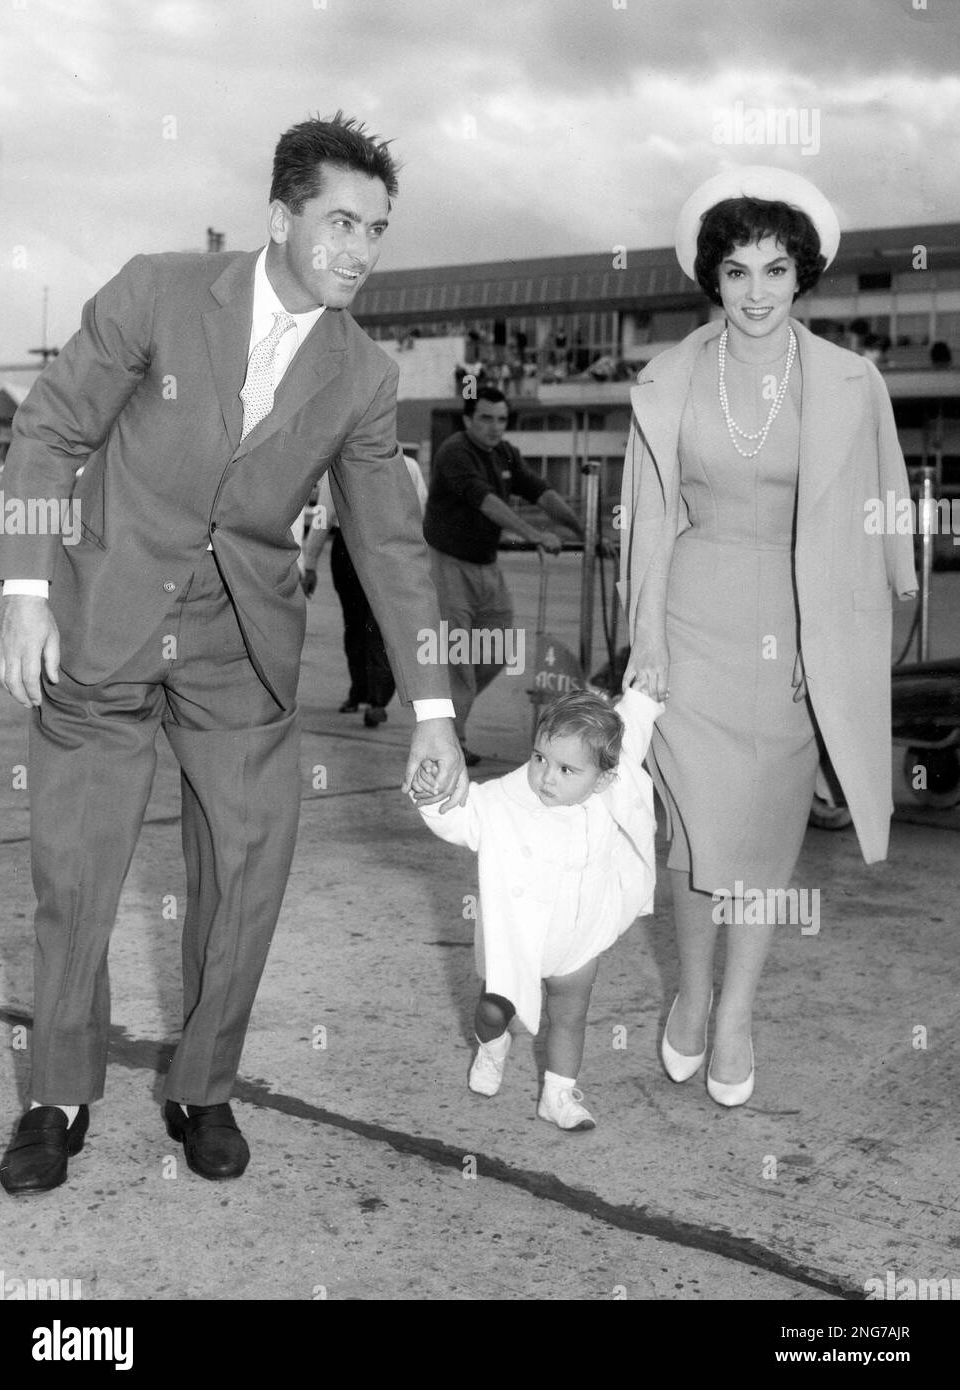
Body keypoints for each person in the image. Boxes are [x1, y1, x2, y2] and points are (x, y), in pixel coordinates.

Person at [0, 113, 467, 1195]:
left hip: (238, 646)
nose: (357, 248)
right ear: (281, 216)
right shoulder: (159, 291)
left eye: (376, 230)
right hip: (101, 619)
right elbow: (51, 429)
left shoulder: (361, 373)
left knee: (248, 874)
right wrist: (23, 592)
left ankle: (203, 1084)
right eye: (339, 221)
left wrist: (433, 709)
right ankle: (56, 1095)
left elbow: (389, 543)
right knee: (76, 871)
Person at [618, 166, 917, 1108]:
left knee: (760, 837)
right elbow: (648, 523)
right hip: (691, 622)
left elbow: (884, 520)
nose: (756, 292)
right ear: (712, 277)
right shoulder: (668, 377)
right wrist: (648, 642)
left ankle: (737, 1011)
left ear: (802, 276)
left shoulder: (849, 381)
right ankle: (695, 997)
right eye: (737, 271)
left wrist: (851, 651)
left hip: (799, 630)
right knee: (691, 833)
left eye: (775, 270)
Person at [415, 687, 661, 1130]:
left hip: (578, 940)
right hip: (517, 942)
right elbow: (460, 817)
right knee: (494, 1009)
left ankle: (558, 1096)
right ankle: (492, 1046)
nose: (547, 777)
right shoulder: (505, 801)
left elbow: (636, 727)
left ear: (603, 777)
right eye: (540, 758)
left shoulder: (611, 793)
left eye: (567, 769)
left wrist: (645, 692)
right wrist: (432, 796)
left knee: (569, 1017)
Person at [423, 386, 585, 762]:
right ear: (468, 420)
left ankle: (445, 719)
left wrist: (582, 531)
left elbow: (540, 492)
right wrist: (533, 535)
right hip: (448, 565)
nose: (495, 427)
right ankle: (450, 742)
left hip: (485, 566)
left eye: (501, 419)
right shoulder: (455, 452)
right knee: (457, 658)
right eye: (486, 418)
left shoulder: (504, 454)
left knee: (498, 649)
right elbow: (486, 501)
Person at [302, 457, 428, 726]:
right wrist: (310, 564)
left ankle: (376, 700)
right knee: (356, 625)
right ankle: (359, 691)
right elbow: (324, 516)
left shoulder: (409, 467)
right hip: (349, 551)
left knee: (379, 626)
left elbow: (418, 516)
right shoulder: (338, 465)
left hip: (390, 552)